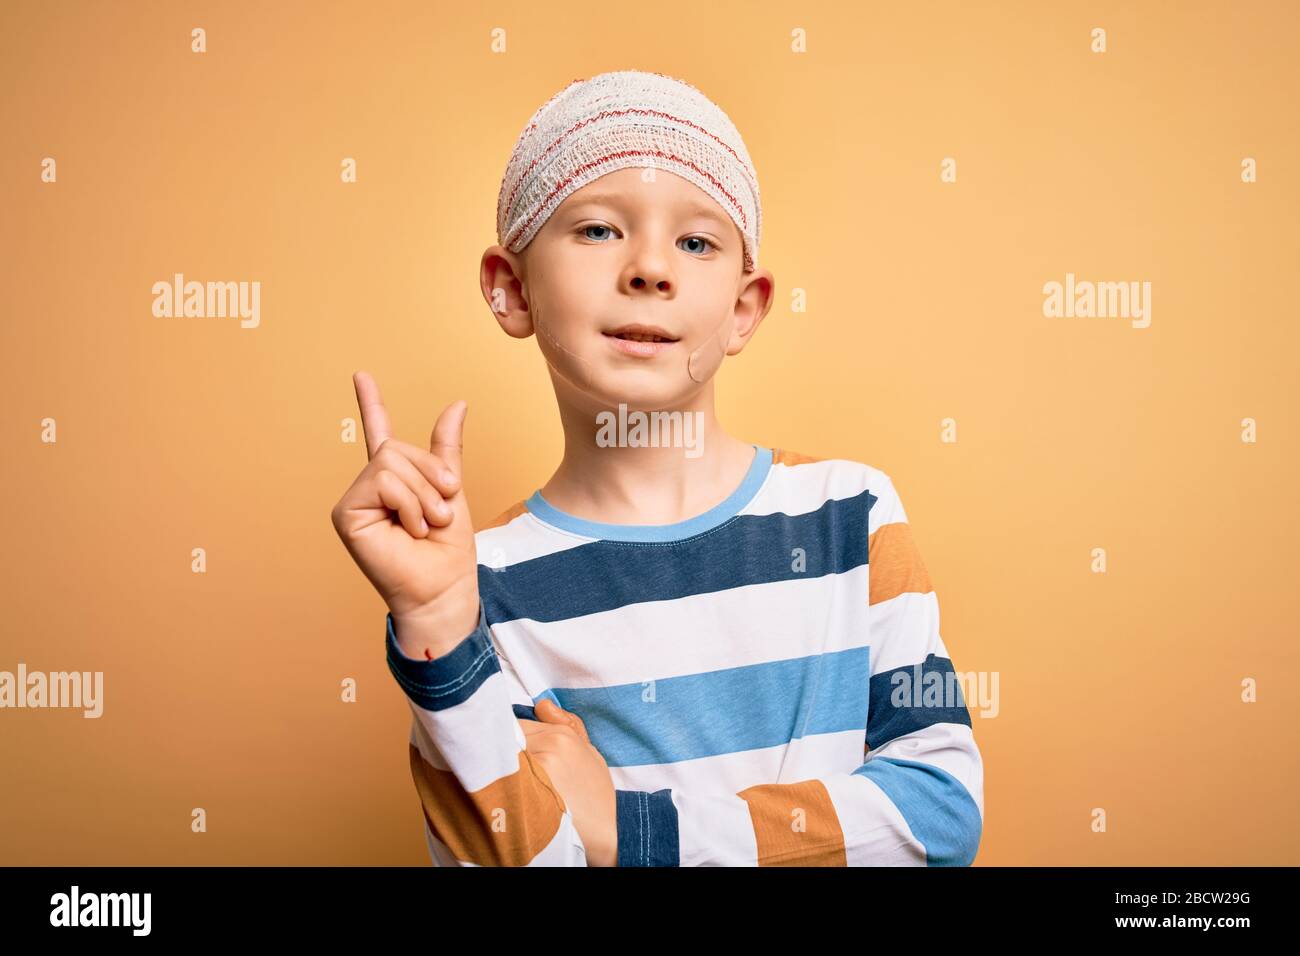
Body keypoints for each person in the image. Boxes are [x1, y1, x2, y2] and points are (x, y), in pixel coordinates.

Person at [330, 69, 984, 866]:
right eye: (599, 230)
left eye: (697, 241)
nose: (650, 268)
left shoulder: (853, 516)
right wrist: (435, 621)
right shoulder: (477, 583)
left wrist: (627, 828)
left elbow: (939, 814)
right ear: (511, 290)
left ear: (743, 309)